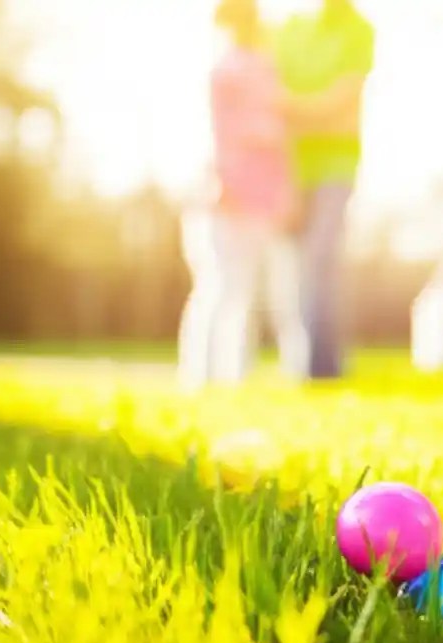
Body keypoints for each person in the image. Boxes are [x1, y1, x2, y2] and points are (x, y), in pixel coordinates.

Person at [178, 0, 307, 388]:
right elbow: (218, 132)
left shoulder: (266, 70)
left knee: (248, 290)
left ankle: (233, 374)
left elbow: (282, 138)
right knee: (221, 286)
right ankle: (199, 375)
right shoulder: (225, 71)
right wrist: (221, 182)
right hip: (225, 197)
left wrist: (288, 192)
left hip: (261, 200)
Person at [273, 0, 375, 380]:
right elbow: (277, 96)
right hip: (289, 166)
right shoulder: (291, 29)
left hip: (337, 164)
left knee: (321, 261)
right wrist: (314, 114)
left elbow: (343, 102)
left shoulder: (358, 29)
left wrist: (291, 109)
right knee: (290, 266)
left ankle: (322, 368)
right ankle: (298, 362)